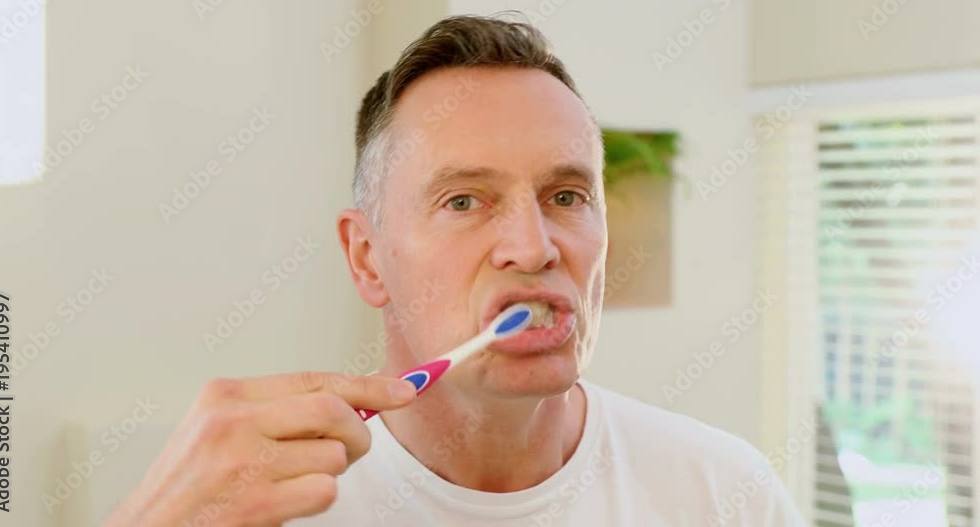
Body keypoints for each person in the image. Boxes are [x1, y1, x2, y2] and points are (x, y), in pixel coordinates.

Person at [107, 14, 806, 527]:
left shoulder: (724, 491)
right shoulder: (270, 508)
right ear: (366, 257)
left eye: (566, 196)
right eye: (464, 200)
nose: (532, 248)